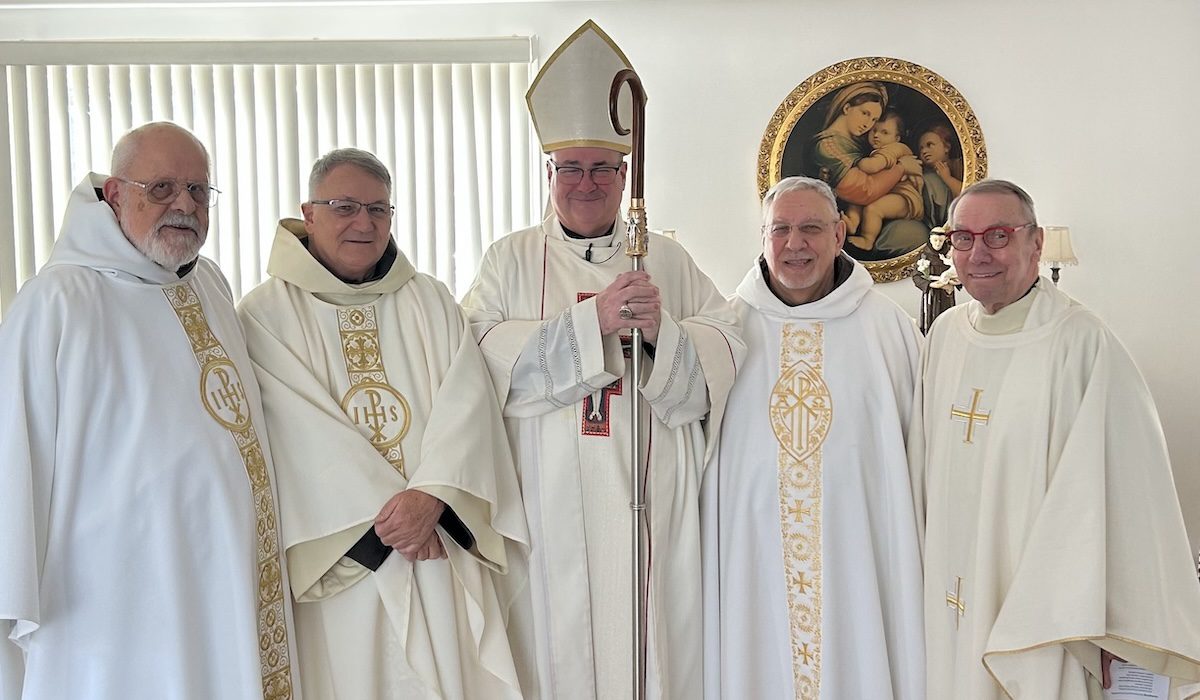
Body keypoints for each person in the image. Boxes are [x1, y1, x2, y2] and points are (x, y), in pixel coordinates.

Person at [460, 20, 745, 700]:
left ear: (625, 176)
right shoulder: (510, 257)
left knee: (648, 645)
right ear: (549, 173)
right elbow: (476, 352)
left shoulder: (665, 258)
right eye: (572, 168)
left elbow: (727, 339)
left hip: (645, 499)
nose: (586, 183)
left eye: (602, 169)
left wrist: (663, 335)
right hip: (545, 494)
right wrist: (594, 324)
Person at [0, 122, 300, 699]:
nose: (183, 205)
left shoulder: (206, 283)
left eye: (197, 191)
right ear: (115, 195)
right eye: (161, 188)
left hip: (223, 578)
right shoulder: (59, 301)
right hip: (114, 598)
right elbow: (16, 455)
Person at [237, 148, 529, 700]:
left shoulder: (430, 300)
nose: (363, 223)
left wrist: (434, 497)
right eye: (344, 206)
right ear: (309, 211)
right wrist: (396, 521)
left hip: (436, 544)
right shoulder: (264, 314)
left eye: (378, 209)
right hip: (346, 558)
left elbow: (467, 403)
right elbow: (297, 429)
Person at [911, 178, 1200, 698]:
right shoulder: (945, 335)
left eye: (998, 235)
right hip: (948, 593)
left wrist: (1115, 619)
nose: (979, 253)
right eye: (963, 237)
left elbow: (1127, 487)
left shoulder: (1080, 342)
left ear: (1036, 243)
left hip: (1041, 610)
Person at [701, 176, 924, 699]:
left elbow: (920, 450)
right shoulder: (726, 329)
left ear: (840, 233)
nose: (794, 243)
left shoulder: (887, 328)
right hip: (751, 555)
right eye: (780, 229)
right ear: (762, 237)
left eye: (810, 228)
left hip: (860, 552)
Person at [844, 108, 924, 250]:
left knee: (873, 209)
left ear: (897, 138)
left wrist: (855, 161)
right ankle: (852, 222)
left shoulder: (897, 148)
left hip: (904, 199)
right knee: (856, 200)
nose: (876, 135)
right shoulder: (877, 151)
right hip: (884, 192)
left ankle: (867, 240)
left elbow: (872, 166)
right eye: (874, 130)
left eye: (884, 132)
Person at [911, 227, 957, 334]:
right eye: (935, 240)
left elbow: (958, 271)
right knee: (931, 320)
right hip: (931, 294)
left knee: (948, 320)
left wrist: (955, 282)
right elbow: (916, 276)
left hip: (947, 292)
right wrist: (931, 284)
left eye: (940, 240)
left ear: (944, 240)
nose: (938, 243)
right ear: (930, 239)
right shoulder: (923, 256)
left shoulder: (950, 255)